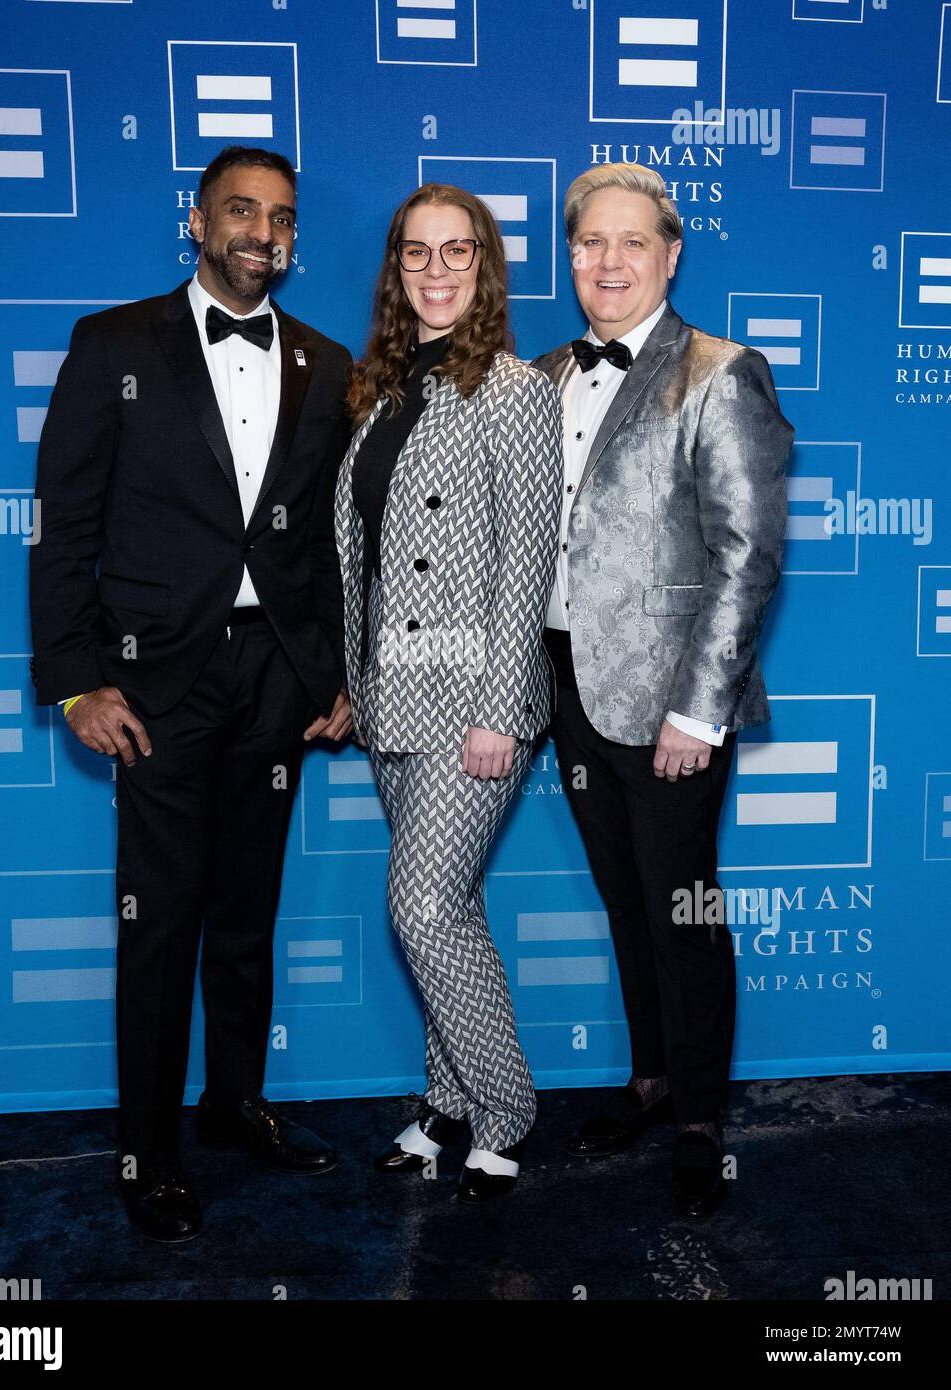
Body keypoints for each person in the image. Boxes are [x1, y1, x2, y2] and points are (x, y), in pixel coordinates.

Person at [29, 145, 353, 1242]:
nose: (263, 230)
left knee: (245, 913)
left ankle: (233, 1107)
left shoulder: (326, 362)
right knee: (158, 924)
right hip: (156, 677)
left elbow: (325, 545)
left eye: (282, 217)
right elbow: (64, 527)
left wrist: (334, 672)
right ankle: (147, 1149)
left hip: (276, 677)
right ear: (199, 221)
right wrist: (75, 683)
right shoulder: (115, 343)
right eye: (241, 211)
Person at [533, 163, 792, 1219]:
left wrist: (698, 707)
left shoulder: (719, 371)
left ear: (670, 253)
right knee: (627, 900)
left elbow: (746, 554)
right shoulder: (538, 372)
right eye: (589, 242)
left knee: (682, 903)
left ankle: (697, 1113)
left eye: (630, 242)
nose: (607, 261)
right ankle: (648, 1077)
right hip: (563, 685)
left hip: (671, 701)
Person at [336, 184, 563, 1201]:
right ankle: (446, 1102)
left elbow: (527, 560)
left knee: (422, 906)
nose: (435, 271)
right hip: (392, 698)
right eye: (415, 253)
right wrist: (354, 684)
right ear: (396, 270)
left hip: (473, 697)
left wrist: (499, 707)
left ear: (484, 267)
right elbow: (368, 561)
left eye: (455, 251)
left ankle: (504, 1107)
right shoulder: (381, 392)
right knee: (450, 911)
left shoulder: (512, 390)